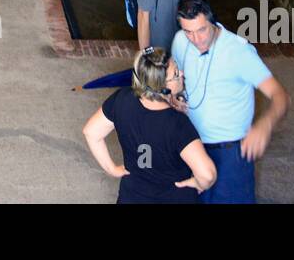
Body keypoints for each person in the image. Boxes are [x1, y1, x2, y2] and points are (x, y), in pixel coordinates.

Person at [170, 0, 289, 204]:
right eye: (189, 31)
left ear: (212, 21)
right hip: (191, 145)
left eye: (202, 30)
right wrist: (175, 96)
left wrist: (265, 124)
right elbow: (176, 79)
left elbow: (280, 96)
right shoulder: (180, 41)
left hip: (231, 153)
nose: (197, 39)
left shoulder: (239, 52)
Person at [82, 47, 216, 204]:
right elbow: (207, 175)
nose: (182, 74)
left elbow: (91, 132)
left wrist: (111, 169)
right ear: (162, 87)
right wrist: (197, 183)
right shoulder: (177, 125)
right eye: (175, 74)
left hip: (132, 196)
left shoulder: (122, 99)